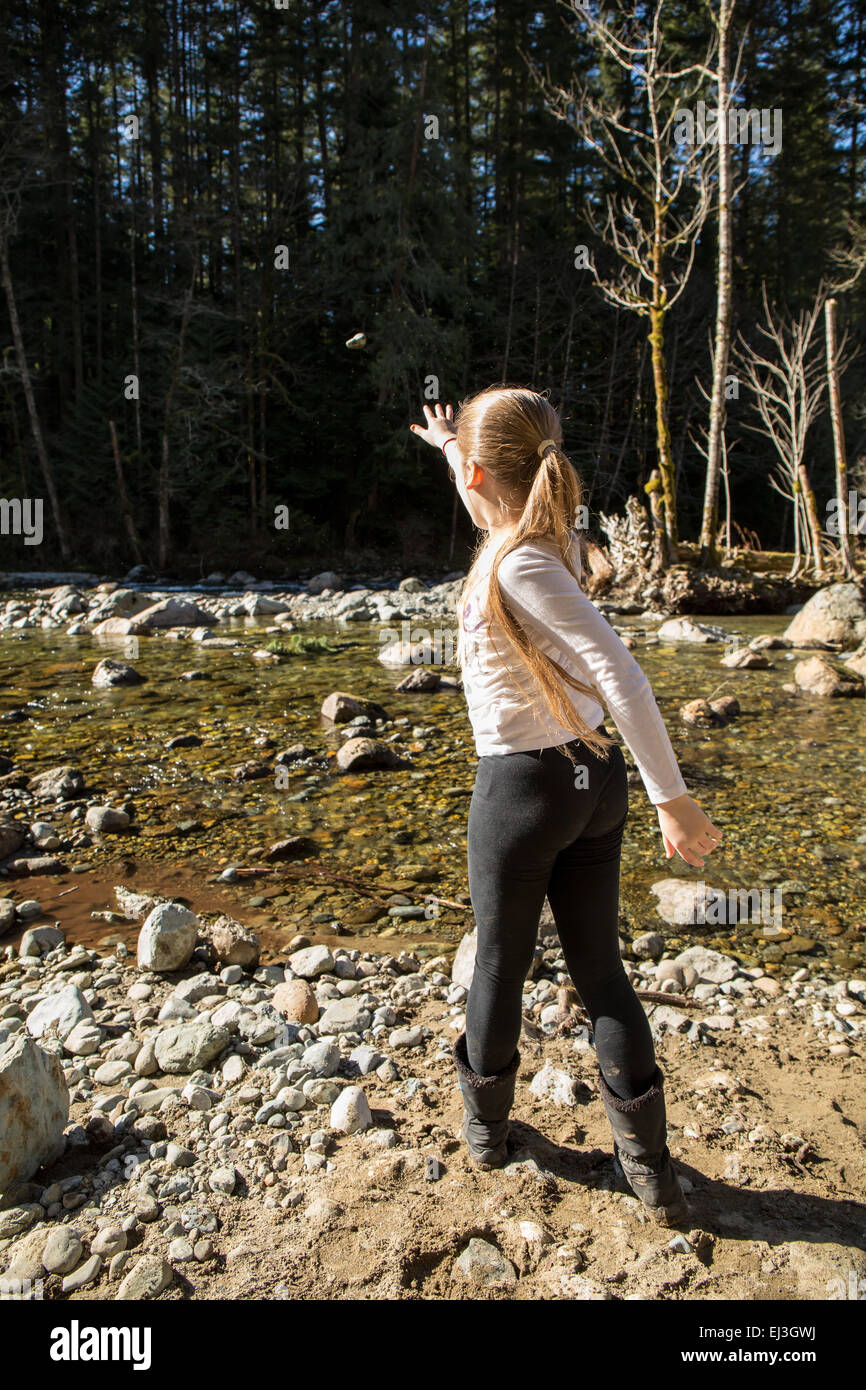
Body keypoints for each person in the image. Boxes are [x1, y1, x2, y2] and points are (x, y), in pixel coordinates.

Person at [409, 386, 723, 1226]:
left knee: (501, 967)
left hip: (522, 794)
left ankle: (486, 1136)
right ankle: (649, 1168)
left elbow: (623, 673)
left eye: (467, 472)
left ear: (484, 474)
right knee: (601, 972)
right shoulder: (549, 544)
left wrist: (677, 800)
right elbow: (491, 497)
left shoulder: (517, 562)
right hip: (594, 785)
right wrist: (450, 448)